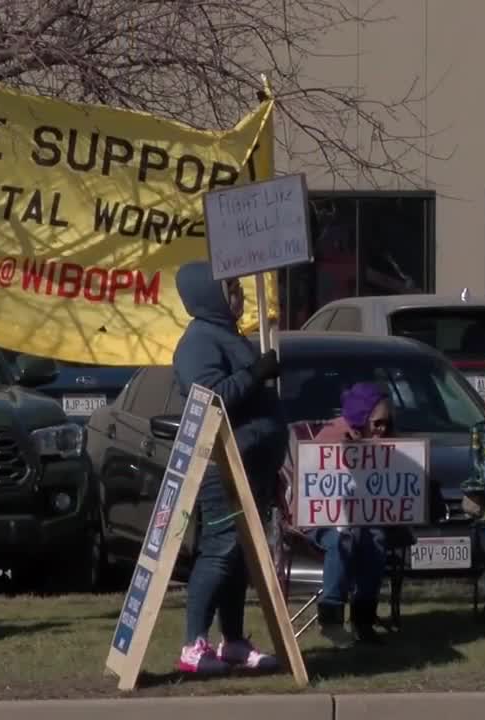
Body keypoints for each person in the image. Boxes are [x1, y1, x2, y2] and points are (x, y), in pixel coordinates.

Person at [171, 261, 287, 675]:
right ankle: (193, 645)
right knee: (219, 549)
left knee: (239, 556)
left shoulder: (228, 336)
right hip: (223, 463)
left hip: (252, 464)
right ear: (209, 296)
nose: (239, 296)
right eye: (231, 289)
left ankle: (233, 641)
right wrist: (255, 374)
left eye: (239, 288)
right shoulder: (199, 342)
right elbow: (211, 397)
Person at [310, 381, 393, 647]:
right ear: (361, 418)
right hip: (322, 519)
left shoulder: (385, 442)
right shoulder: (331, 437)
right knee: (342, 537)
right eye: (377, 423)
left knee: (375, 538)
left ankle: (363, 619)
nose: (383, 430)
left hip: (364, 517)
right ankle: (331, 618)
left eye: (386, 424)